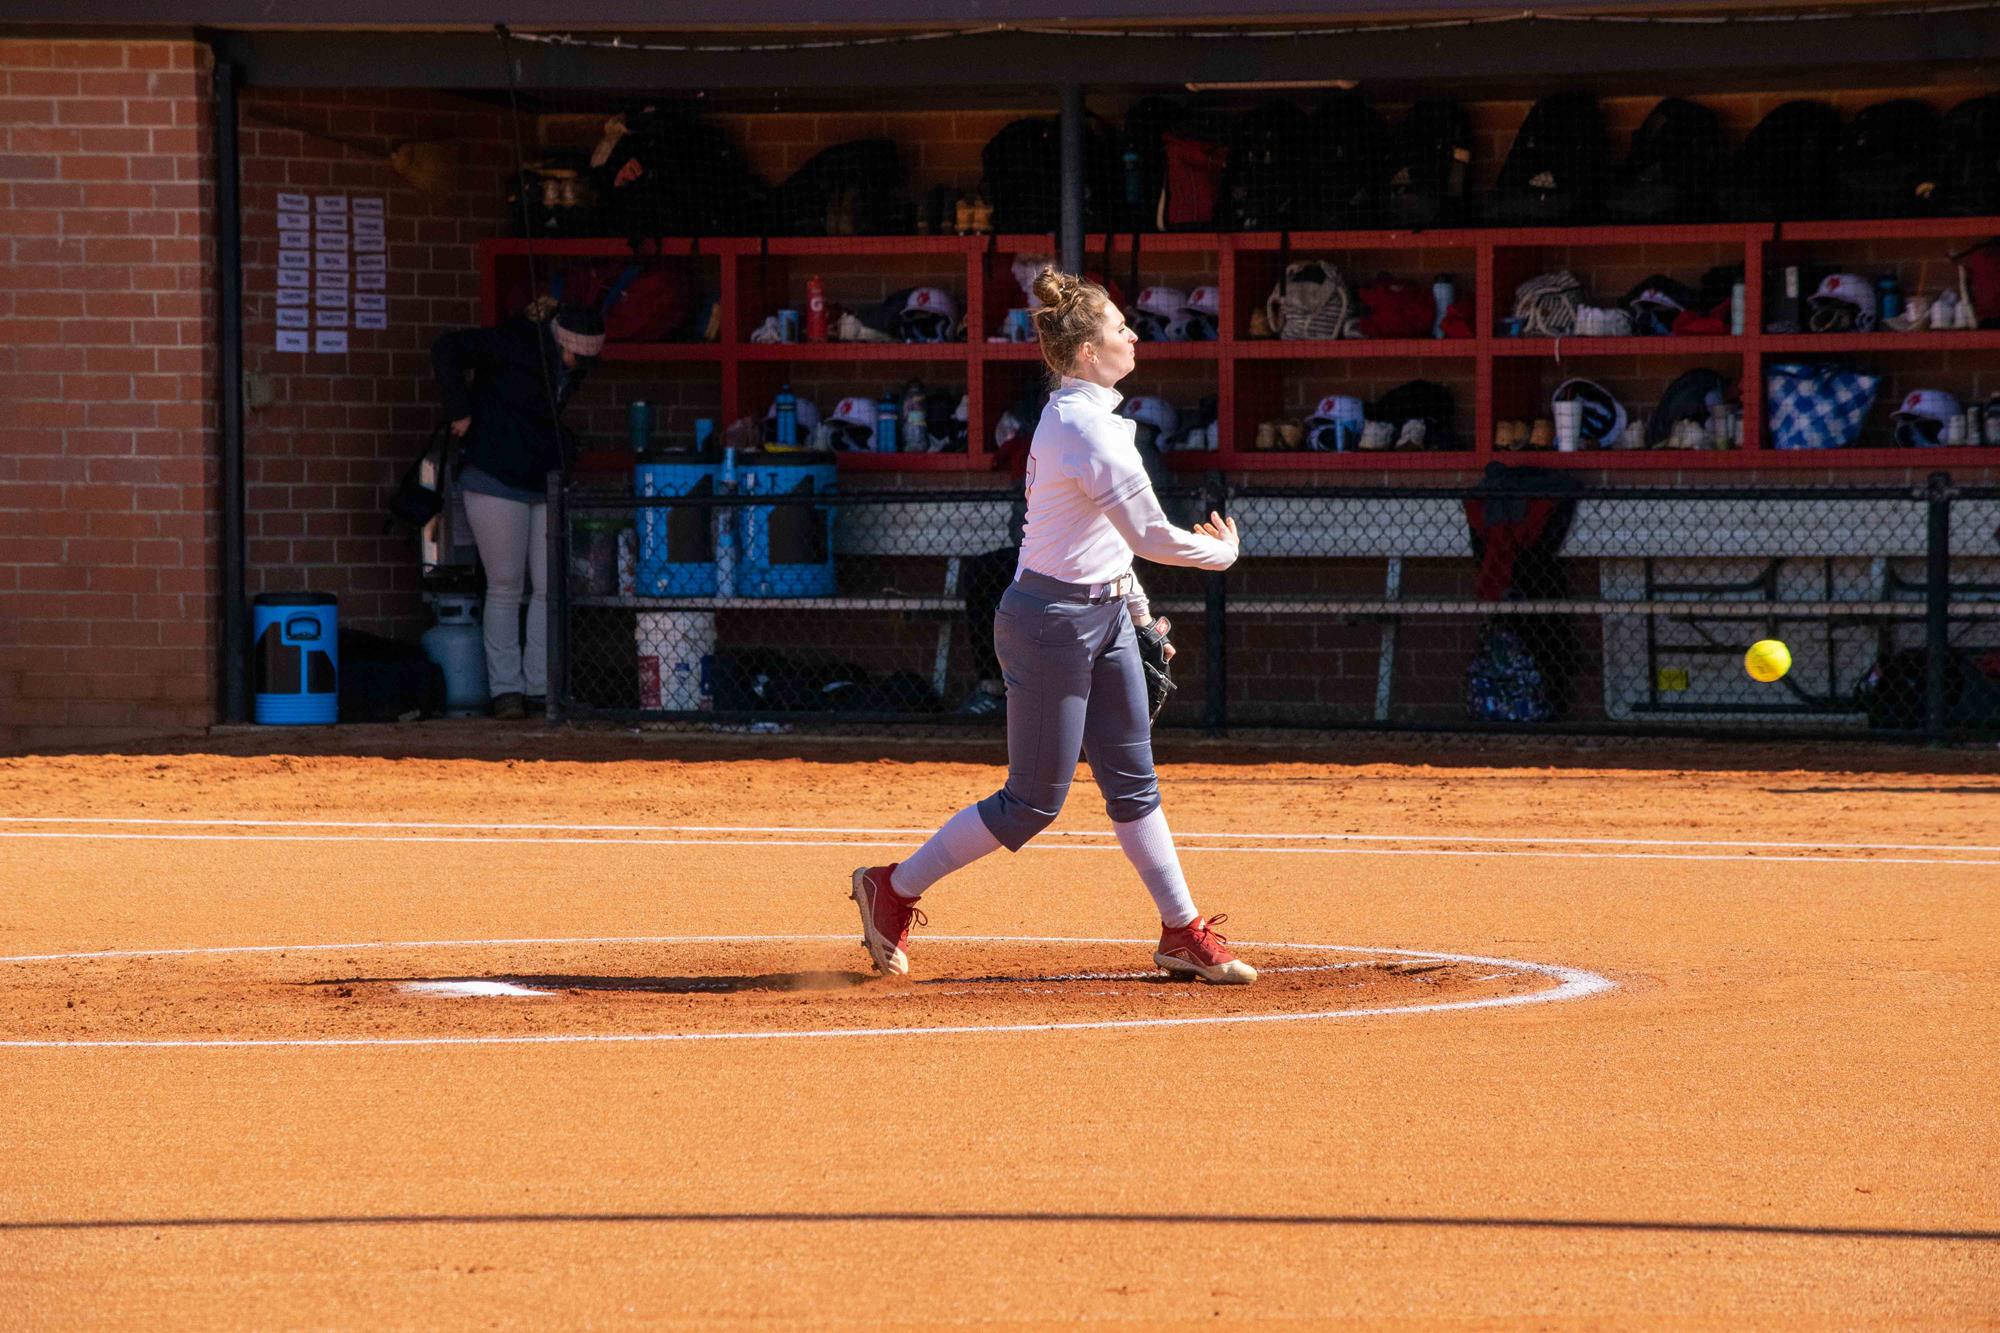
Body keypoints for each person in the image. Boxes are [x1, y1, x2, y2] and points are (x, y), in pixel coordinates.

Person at [850, 268, 1253, 984]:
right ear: (1088, 353)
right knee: (1033, 802)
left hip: (1101, 614)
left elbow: (1103, 542)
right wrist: (1220, 555)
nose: (1133, 335)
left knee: (1134, 782)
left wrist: (1134, 611)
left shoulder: (1085, 417)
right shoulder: (1084, 426)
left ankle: (1181, 930)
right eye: (1119, 328)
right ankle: (894, 886)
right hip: (1052, 623)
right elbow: (1151, 536)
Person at [430, 304, 605, 720]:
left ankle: (540, 688)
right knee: (507, 585)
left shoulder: (553, 355)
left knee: (546, 588)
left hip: (540, 475)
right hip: (497, 475)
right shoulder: (514, 342)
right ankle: (507, 688)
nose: (575, 364)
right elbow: (446, 347)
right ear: (561, 340)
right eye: (574, 354)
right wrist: (459, 409)